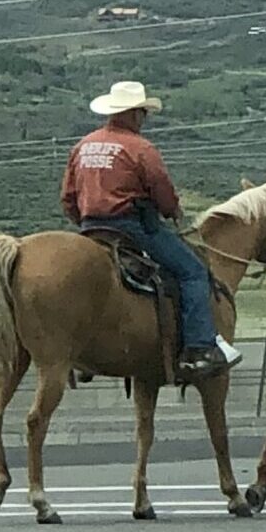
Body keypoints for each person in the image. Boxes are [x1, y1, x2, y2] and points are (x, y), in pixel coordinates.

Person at [60, 80, 238, 378]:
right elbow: (162, 191)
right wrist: (172, 211)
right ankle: (200, 347)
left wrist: (86, 221)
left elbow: (67, 198)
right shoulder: (141, 148)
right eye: (142, 112)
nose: (144, 119)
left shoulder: (83, 146)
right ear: (133, 114)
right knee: (192, 271)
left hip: (91, 229)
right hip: (133, 227)